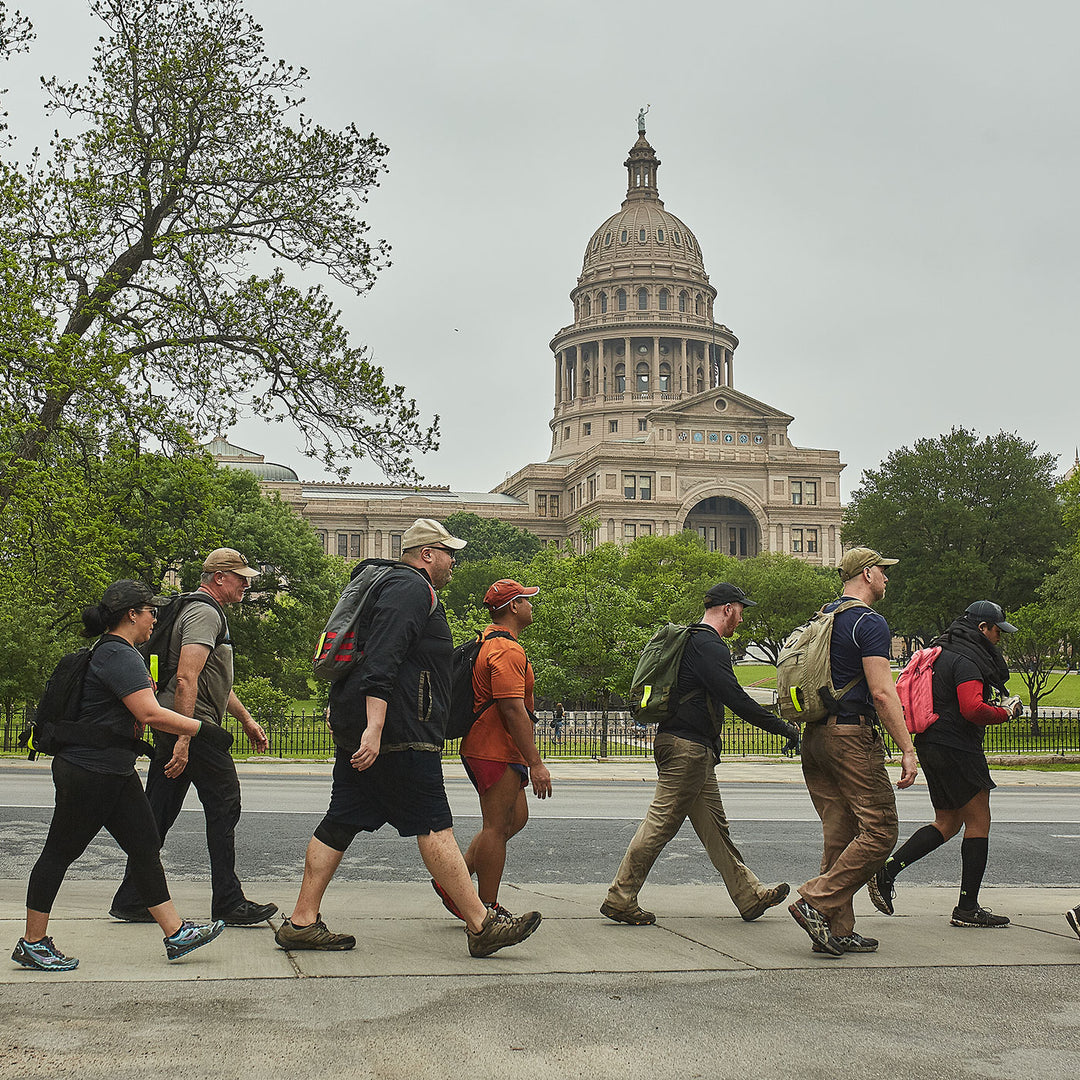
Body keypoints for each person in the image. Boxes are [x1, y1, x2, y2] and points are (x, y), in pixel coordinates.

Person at [275, 519, 542, 958]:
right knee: (433, 822)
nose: (454, 562)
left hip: (382, 728)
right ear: (426, 554)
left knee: (341, 819)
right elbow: (383, 658)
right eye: (448, 553)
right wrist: (376, 727)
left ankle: (302, 922)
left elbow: (369, 657)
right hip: (401, 731)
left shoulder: (394, 587)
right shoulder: (411, 588)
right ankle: (481, 923)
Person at [13, 581, 231, 971]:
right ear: (132, 614)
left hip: (113, 769)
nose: (155, 619)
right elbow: (148, 712)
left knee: (145, 845)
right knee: (60, 851)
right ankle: (32, 942)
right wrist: (201, 729)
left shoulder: (119, 652)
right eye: (151, 611)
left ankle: (176, 932)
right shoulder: (118, 655)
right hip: (89, 770)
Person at [602, 583, 799, 926]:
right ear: (727, 609)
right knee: (660, 823)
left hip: (687, 746)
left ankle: (749, 895)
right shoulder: (709, 646)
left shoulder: (691, 641)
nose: (741, 617)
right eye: (741, 609)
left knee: (715, 828)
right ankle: (620, 897)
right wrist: (784, 728)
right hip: (687, 749)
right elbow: (736, 698)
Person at [110, 548, 277, 927]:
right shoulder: (204, 612)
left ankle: (133, 898)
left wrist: (247, 720)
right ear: (219, 577)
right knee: (225, 804)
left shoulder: (199, 610)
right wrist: (185, 739)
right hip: (193, 728)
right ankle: (229, 902)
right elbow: (187, 676)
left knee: (157, 813)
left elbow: (211, 680)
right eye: (240, 577)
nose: (247, 584)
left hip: (178, 724)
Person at [789, 548, 918, 956]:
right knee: (880, 831)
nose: (887, 578)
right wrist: (908, 749)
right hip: (850, 736)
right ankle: (814, 900)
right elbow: (882, 692)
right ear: (867, 573)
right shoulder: (869, 621)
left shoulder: (823, 617)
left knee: (840, 833)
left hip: (815, 736)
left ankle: (837, 927)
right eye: (884, 571)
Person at [870, 601, 1023, 928]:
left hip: (931, 743)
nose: (999, 638)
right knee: (979, 821)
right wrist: (1006, 712)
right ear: (983, 628)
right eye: (997, 631)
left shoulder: (940, 651)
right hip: (958, 747)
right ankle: (967, 908)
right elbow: (971, 708)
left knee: (948, 821)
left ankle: (886, 872)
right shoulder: (968, 659)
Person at [444, 579, 551, 917]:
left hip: (499, 747)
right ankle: (485, 908)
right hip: (493, 747)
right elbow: (511, 707)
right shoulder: (505, 649)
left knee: (515, 819)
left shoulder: (490, 641)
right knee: (496, 827)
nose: (531, 605)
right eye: (527, 600)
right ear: (513, 607)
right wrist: (536, 763)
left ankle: (453, 884)